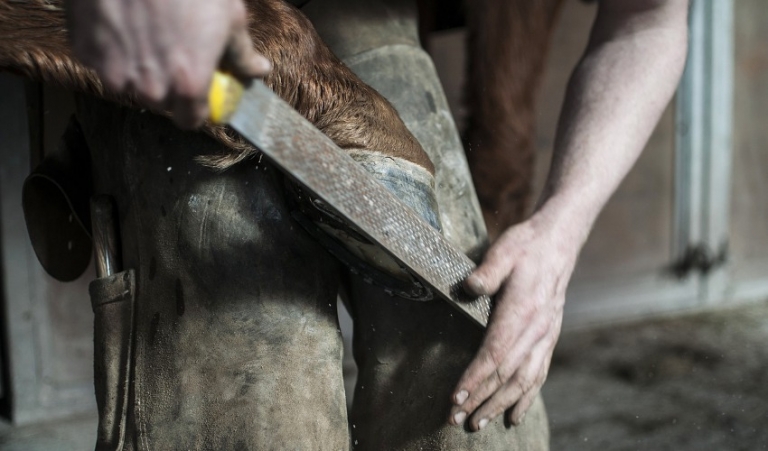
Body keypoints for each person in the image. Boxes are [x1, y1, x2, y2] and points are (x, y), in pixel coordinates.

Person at [61, 0, 689, 447]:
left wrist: (562, 228)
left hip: (357, 12)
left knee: (473, 391)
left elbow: (647, 20)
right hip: (172, 31)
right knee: (251, 406)